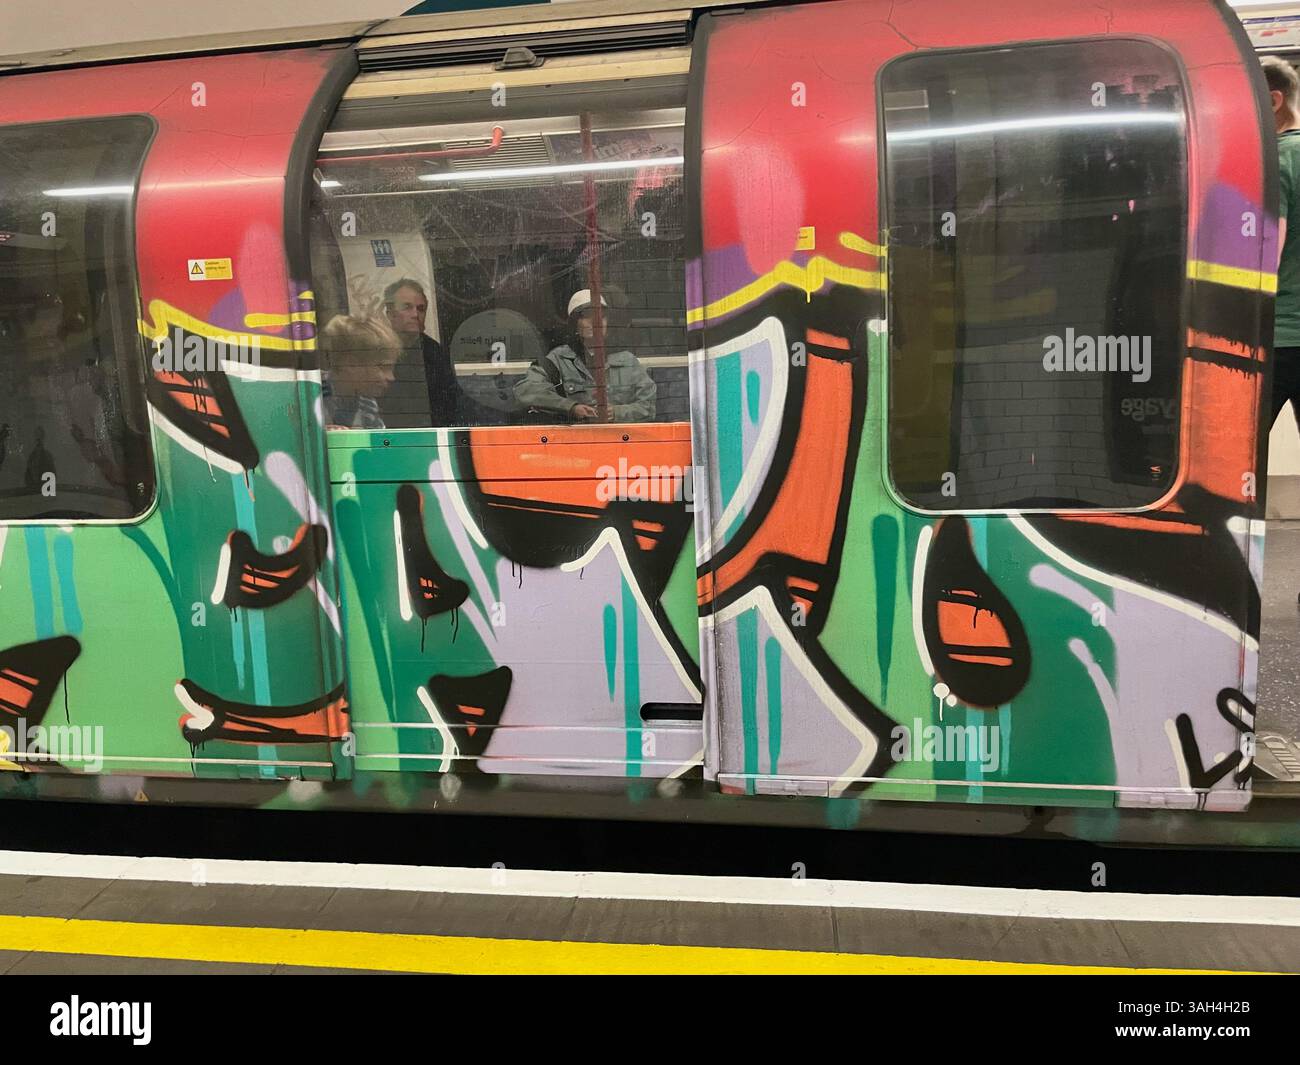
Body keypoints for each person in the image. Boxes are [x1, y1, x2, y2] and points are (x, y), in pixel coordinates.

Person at [514, 288, 657, 423]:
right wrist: (570, 407)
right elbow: (526, 391)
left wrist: (616, 413)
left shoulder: (628, 361)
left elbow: (648, 407)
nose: (596, 322)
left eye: (601, 316)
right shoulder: (557, 360)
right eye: (587, 316)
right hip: (575, 437)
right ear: (574, 324)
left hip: (620, 437)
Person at [1264, 57, 1300, 426]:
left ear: (1274, 100)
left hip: (1280, 336)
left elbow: (1267, 254)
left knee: (1238, 447)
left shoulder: (1276, 160)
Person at [383, 278, 461, 426]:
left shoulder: (436, 353)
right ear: (390, 314)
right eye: (407, 307)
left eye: (421, 309)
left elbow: (449, 406)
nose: (415, 314)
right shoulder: (377, 351)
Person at [319, 314, 403, 430]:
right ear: (351, 364)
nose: (391, 377)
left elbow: (379, 439)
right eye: (383, 367)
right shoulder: (311, 394)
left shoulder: (367, 404)